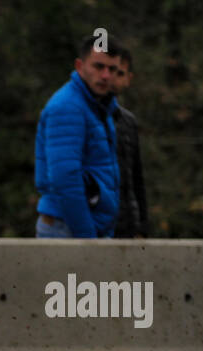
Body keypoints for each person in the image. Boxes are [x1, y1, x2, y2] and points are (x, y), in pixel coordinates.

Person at [34, 35, 121, 238]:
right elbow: (65, 179)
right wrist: (87, 237)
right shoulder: (69, 107)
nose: (106, 75)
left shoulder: (99, 106)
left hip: (86, 225)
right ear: (80, 66)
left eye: (112, 69)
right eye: (99, 67)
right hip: (68, 228)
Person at [111, 46, 149, 238]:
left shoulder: (128, 122)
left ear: (128, 78)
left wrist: (141, 225)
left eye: (119, 73)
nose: (112, 79)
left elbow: (136, 178)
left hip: (127, 223)